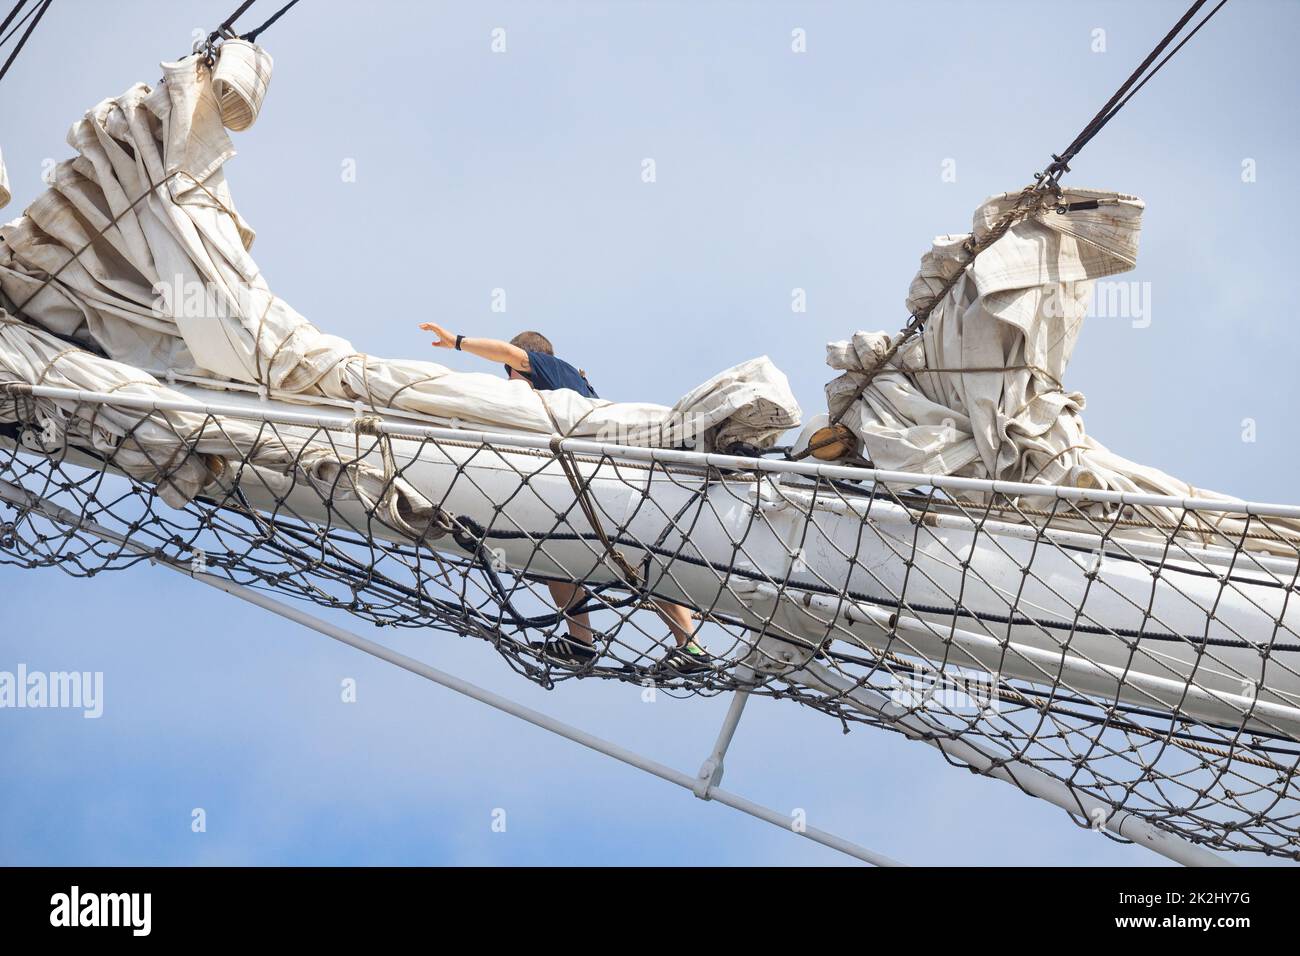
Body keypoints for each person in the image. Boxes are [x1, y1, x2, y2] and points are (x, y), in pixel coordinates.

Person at [418, 322, 710, 675]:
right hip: (588, 483)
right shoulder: (568, 385)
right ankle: (582, 643)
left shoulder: (550, 368)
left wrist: (458, 342)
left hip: (597, 478)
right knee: (556, 561)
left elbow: (510, 356)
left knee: (641, 557)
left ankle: (690, 646)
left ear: (523, 365)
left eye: (512, 373)